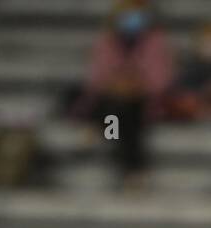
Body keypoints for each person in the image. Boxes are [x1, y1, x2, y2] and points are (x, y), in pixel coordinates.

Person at [73, 1, 176, 186]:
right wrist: (116, 84)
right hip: (110, 98)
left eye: (136, 14)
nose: (131, 19)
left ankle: (104, 130)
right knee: (119, 112)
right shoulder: (107, 41)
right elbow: (97, 77)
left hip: (141, 101)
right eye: (127, 14)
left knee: (123, 115)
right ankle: (133, 170)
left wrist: (135, 85)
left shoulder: (155, 42)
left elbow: (160, 79)